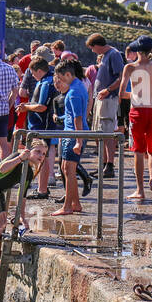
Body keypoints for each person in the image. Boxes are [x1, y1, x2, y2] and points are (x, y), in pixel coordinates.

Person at [0, 136, 48, 269]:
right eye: (38, 151)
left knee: (2, 224)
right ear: (28, 150)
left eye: (43, 154)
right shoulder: (17, 157)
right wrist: (20, 158)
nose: (41, 155)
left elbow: (22, 196)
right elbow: (2, 168)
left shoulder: (29, 173)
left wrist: (22, 217)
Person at [120, 35, 152, 201]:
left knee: (138, 151)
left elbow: (122, 93)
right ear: (151, 51)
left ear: (136, 50)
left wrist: (134, 93)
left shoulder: (130, 67)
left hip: (137, 111)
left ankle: (140, 189)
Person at [49, 60, 91, 216]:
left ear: (68, 74)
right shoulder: (79, 86)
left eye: (60, 77)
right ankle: (76, 203)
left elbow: (78, 118)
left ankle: (67, 206)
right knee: (67, 169)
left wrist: (79, 141)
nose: (59, 81)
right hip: (72, 133)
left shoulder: (73, 92)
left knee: (69, 170)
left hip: (73, 134)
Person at [87, 34, 125, 177]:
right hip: (102, 98)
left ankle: (109, 165)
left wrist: (108, 89)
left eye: (92, 48)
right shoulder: (106, 55)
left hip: (108, 99)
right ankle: (103, 165)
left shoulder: (113, 54)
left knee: (107, 132)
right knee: (100, 132)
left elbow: (120, 77)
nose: (92, 51)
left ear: (98, 45)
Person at [22, 55, 57, 199]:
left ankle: (42, 189)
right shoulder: (46, 81)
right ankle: (42, 187)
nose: (33, 76)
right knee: (43, 156)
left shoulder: (46, 83)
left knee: (41, 157)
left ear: (37, 71)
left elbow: (42, 106)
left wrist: (26, 107)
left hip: (43, 126)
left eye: (32, 73)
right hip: (42, 125)